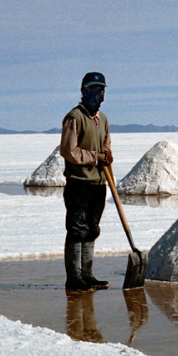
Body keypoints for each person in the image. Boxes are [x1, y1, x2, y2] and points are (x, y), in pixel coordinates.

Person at [60, 72, 113, 290]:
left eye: (101, 90)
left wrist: (107, 154)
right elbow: (69, 151)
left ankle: (87, 275)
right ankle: (74, 278)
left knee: (92, 229)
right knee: (77, 230)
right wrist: (94, 157)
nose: (98, 95)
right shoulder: (75, 118)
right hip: (79, 183)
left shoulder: (103, 120)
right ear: (83, 91)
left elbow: (106, 143)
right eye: (94, 90)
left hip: (98, 184)